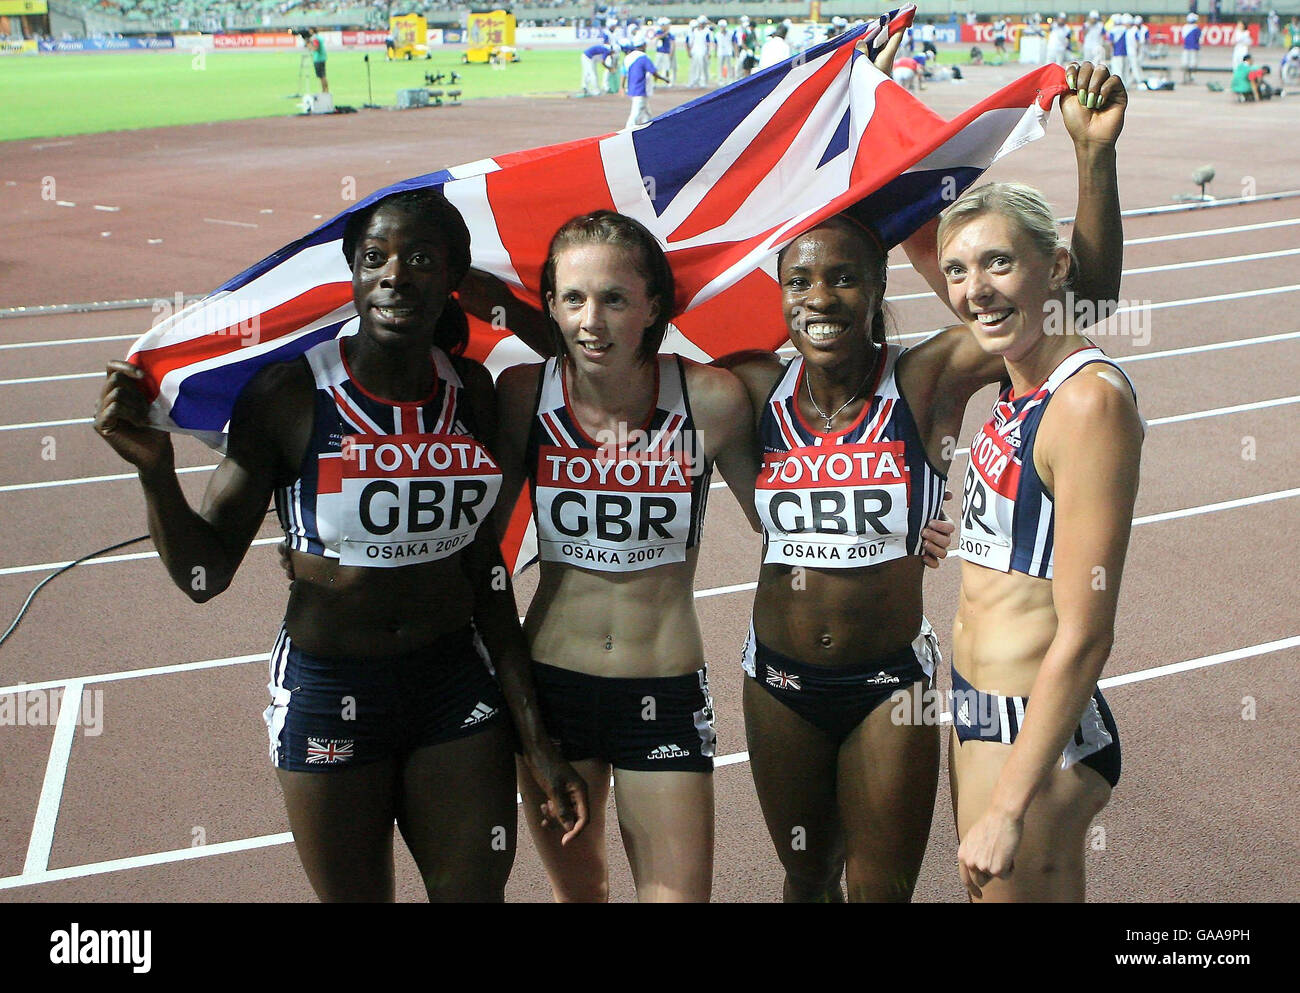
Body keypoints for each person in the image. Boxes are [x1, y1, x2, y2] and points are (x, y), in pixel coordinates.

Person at [94, 189, 588, 902]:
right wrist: (156, 473)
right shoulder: (289, 394)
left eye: (421, 259)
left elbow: (486, 569)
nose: (395, 275)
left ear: (452, 278)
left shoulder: (471, 393)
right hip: (330, 690)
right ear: (353, 274)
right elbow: (204, 575)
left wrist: (536, 739)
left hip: (454, 685)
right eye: (375, 258)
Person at [714, 55, 1129, 902]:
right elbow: (613, 354)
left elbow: (1078, 304)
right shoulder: (750, 388)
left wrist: (1092, 158)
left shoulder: (925, 378)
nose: (820, 296)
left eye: (843, 278)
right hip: (779, 677)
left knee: (882, 887)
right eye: (800, 280)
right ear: (780, 295)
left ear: (879, 292)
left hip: (890, 681)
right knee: (804, 872)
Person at [491, 212, 761, 902]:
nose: (592, 319)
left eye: (614, 298)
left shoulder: (709, 401)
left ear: (652, 306)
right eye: (573, 297)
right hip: (552, 686)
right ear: (549, 305)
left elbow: (785, 515)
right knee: (583, 896)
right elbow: (473, 537)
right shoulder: (525, 395)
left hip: (662, 683)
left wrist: (910, 525)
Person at [936, 72, 1138, 903]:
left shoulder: (1087, 400)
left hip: (1035, 725)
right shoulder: (1019, 377)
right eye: (956, 270)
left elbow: (1089, 632)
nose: (973, 288)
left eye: (997, 262)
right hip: (979, 700)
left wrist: (1010, 805)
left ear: (1052, 267)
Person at [624, 33, 668, 128]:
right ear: (643, 45)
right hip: (640, 87)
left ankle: (648, 126)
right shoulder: (643, 57)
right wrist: (664, 79)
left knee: (646, 110)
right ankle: (628, 129)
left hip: (631, 86)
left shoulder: (628, 57)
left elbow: (625, 72)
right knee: (636, 112)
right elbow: (653, 71)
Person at [303, 27, 328, 94]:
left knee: (321, 76)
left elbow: (315, 48)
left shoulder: (315, 38)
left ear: (312, 31)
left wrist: (308, 45)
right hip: (322, 57)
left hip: (318, 59)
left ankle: (324, 91)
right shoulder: (318, 37)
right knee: (323, 75)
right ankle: (325, 90)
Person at [1182, 13, 1203, 84]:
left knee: (1185, 63)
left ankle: (1185, 78)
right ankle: (1191, 78)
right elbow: (1199, 39)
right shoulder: (1197, 28)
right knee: (1193, 64)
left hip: (1186, 47)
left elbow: (1183, 37)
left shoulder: (1184, 27)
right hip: (1194, 48)